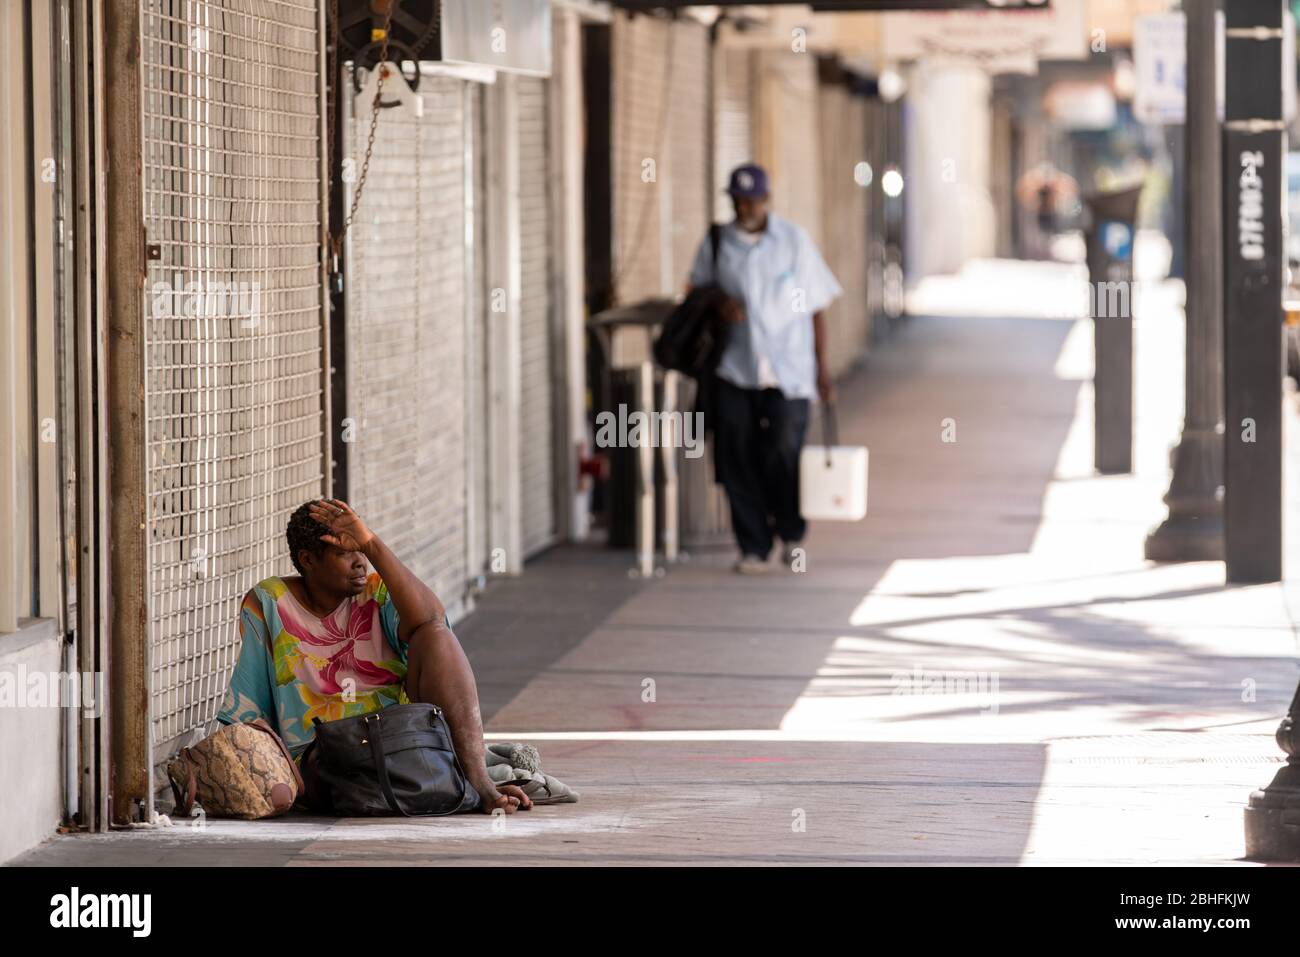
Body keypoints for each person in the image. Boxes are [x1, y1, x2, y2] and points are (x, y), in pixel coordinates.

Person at [216, 498, 531, 815]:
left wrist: (372, 544)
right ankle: (442, 784)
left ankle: (478, 782)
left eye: (361, 552)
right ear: (308, 560)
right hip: (323, 756)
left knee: (437, 636)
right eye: (344, 553)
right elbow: (250, 711)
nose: (359, 563)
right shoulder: (270, 602)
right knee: (348, 773)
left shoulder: (377, 590)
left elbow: (434, 620)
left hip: (397, 741)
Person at [687, 163, 842, 573]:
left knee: (782, 453)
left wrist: (822, 370)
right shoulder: (718, 242)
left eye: (752, 199)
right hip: (734, 370)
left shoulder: (792, 241)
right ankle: (753, 546)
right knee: (737, 456)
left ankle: (790, 534)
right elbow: (694, 290)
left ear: (766, 200)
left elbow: (816, 307)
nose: (745, 207)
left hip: (789, 370)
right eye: (738, 200)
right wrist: (719, 303)